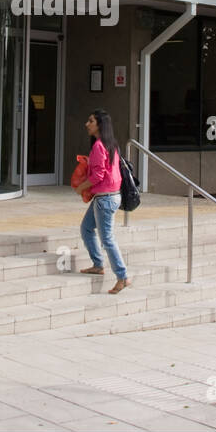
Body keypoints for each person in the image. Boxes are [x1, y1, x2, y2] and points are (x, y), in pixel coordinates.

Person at [75, 109, 129, 294]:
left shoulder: (99, 146)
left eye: (90, 121)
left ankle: (122, 276)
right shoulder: (111, 143)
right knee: (86, 228)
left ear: (99, 125)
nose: (87, 124)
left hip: (104, 199)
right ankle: (98, 265)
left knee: (107, 239)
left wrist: (81, 187)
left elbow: (98, 176)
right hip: (110, 196)